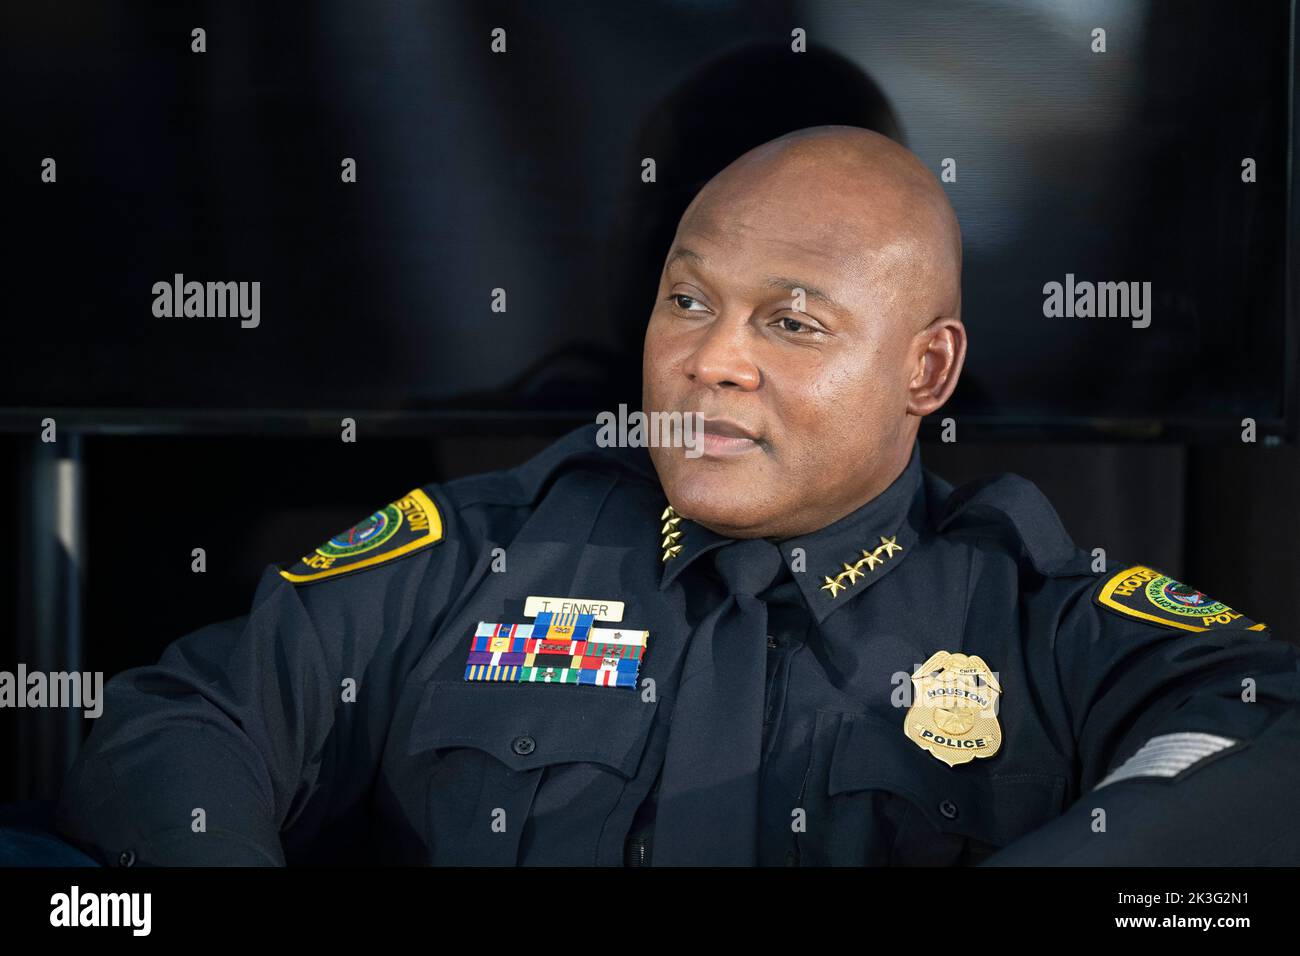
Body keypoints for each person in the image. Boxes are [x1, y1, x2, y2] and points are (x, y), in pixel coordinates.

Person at [55, 126, 1300, 866]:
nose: (710, 356)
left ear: (925, 369)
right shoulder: (476, 555)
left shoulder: (1031, 613)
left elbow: (1268, 734)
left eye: (792, 321)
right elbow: (181, 722)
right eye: (687, 299)